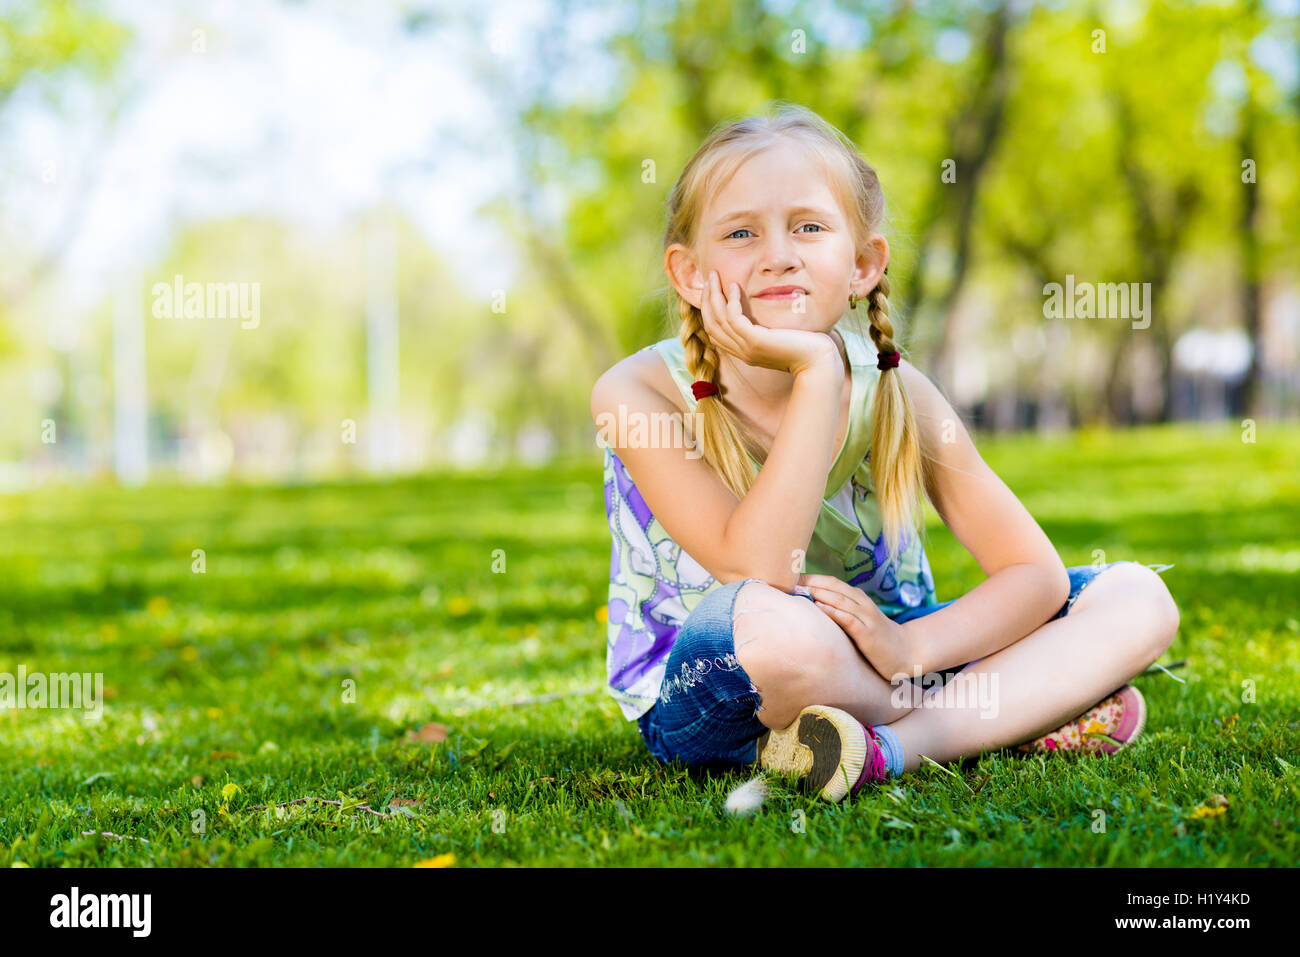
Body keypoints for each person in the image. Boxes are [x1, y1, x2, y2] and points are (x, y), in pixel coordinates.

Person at [590, 102, 1179, 802]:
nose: (778, 253)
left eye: (809, 227)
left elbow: (1035, 575)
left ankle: (889, 748)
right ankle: (1013, 708)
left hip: (896, 655)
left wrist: (915, 651)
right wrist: (815, 374)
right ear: (689, 274)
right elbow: (760, 570)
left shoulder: (899, 388)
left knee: (1139, 597)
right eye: (741, 232)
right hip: (726, 676)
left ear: (863, 263)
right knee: (777, 634)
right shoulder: (634, 391)